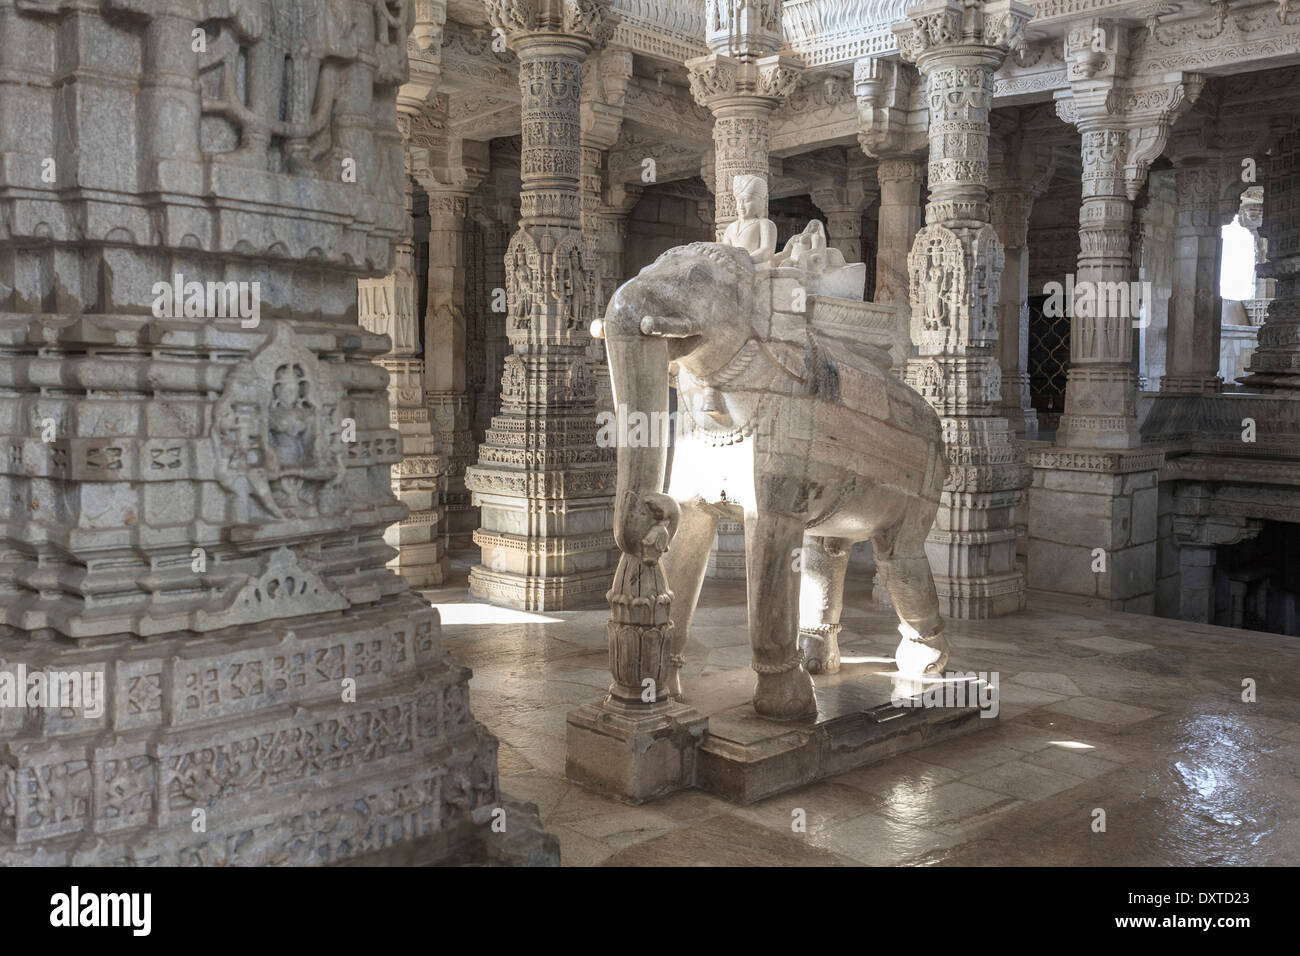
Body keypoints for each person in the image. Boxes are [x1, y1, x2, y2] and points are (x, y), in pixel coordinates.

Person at [721, 174, 777, 265]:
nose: (741, 206)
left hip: (756, 268)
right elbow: (726, 250)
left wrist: (747, 260)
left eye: (747, 201)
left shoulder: (765, 224)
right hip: (734, 267)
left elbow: (767, 251)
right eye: (739, 201)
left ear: (760, 202)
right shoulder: (730, 228)